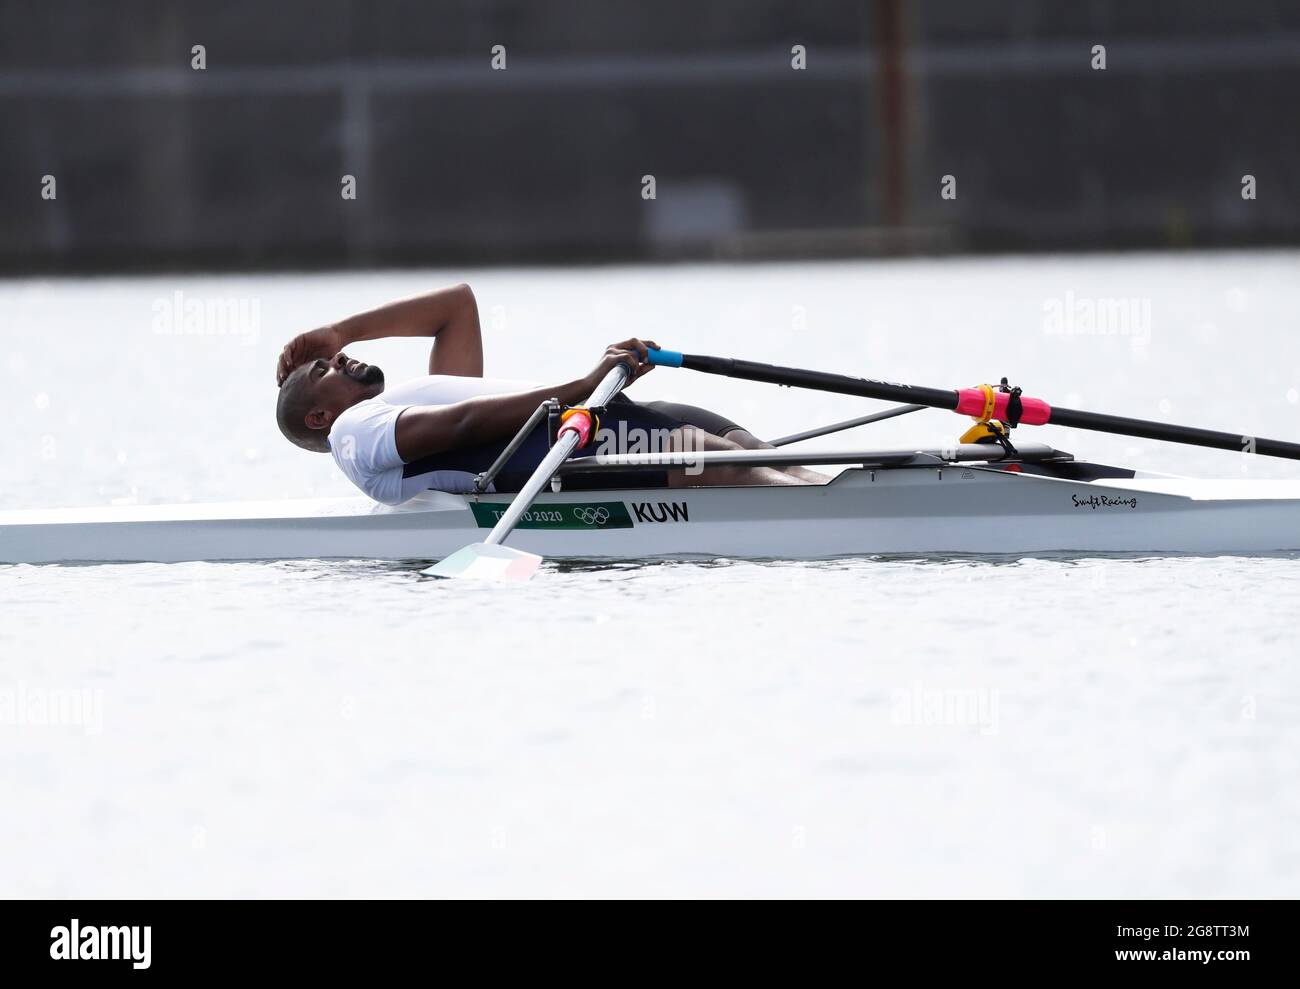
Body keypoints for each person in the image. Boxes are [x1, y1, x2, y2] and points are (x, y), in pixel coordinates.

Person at [275, 284, 823, 505]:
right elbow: (464, 427)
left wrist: (341, 331)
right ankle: (838, 520)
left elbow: (456, 307)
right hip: (569, 446)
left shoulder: (404, 401)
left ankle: (840, 499)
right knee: (730, 463)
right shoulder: (352, 433)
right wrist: (585, 385)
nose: (340, 358)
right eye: (326, 368)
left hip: (606, 414)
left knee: (755, 453)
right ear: (321, 416)